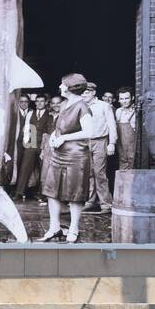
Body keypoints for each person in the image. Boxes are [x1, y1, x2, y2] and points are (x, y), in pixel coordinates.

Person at [39, 73, 94, 243]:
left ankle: (73, 229)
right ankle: (54, 228)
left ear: (71, 88)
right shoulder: (64, 104)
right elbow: (59, 128)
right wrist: (56, 137)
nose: (60, 87)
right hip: (59, 154)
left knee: (75, 194)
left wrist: (64, 138)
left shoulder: (83, 107)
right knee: (52, 192)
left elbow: (89, 132)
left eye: (63, 84)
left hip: (76, 156)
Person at [82, 81, 116, 214]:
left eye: (87, 92)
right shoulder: (80, 106)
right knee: (88, 173)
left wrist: (112, 143)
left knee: (99, 173)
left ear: (94, 93)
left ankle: (106, 204)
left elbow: (112, 125)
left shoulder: (104, 106)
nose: (84, 95)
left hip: (100, 141)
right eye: (83, 92)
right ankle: (90, 202)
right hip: (84, 141)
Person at [12, 93, 49, 201]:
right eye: (37, 101)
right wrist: (26, 143)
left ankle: (43, 194)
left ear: (46, 103)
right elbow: (27, 128)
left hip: (44, 144)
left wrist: (44, 147)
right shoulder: (31, 113)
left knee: (44, 169)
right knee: (25, 167)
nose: (39, 103)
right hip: (31, 143)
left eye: (42, 101)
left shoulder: (49, 114)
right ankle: (19, 192)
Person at [115, 89, 139, 171]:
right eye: (121, 99)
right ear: (118, 100)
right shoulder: (118, 112)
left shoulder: (136, 111)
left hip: (133, 144)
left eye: (126, 98)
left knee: (134, 163)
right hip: (121, 144)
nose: (124, 101)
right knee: (122, 163)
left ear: (132, 98)